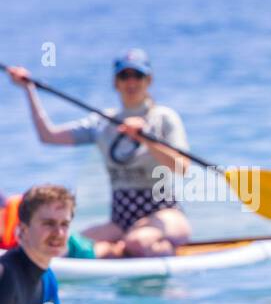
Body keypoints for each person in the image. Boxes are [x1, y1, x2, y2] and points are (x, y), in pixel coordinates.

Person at [7, 49, 193, 257]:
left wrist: (145, 139)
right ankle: (117, 251)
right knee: (66, 245)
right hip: (120, 220)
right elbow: (48, 136)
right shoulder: (103, 122)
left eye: (137, 75)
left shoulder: (163, 118)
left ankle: (128, 251)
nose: (131, 82)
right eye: (125, 76)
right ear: (116, 82)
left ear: (148, 80)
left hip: (164, 214)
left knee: (138, 241)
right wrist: (29, 89)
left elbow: (181, 167)